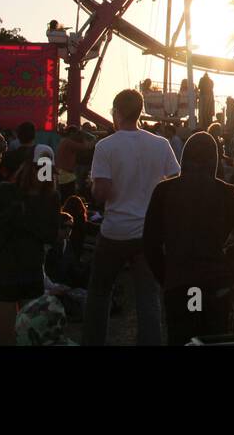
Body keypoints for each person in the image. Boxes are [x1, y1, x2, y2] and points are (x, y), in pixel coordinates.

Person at [142, 131, 234, 345]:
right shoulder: (226, 192)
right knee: (212, 339)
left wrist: (167, 275)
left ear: (184, 158)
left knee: (184, 337)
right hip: (216, 285)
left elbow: (150, 243)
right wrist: (231, 254)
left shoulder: (164, 191)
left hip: (181, 285)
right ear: (214, 160)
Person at [82, 88, 180, 346]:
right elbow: (173, 184)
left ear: (118, 111)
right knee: (148, 298)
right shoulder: (161, 144)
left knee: (100, 293)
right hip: (147, 233)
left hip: (114, 231)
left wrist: (93, 185)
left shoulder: (106, 146)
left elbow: (101, 193)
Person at [0, 154, 60, 344]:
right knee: (8, 338)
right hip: (2, 273)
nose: (45, 173)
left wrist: (24, 219)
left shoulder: (51, 197)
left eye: (49, 169)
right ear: (29, 168)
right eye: (40, 167)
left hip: (31, 274)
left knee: (29, 337)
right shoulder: (6, 190)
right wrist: (10, 215)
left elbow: (51, 236)